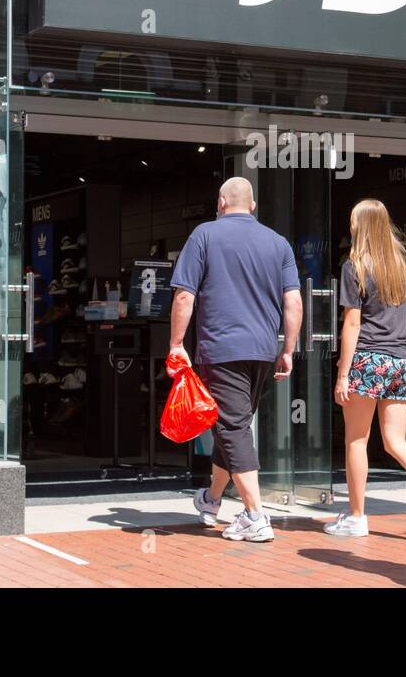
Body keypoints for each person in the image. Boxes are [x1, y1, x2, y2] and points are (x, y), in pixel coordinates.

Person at [169, 176, 302, 543]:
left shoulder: (205, 235)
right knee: (232, 426)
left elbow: (184, 296)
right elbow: (293, 300)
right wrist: (288, 349)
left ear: (221, 203)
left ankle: (256, 516)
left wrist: (176, 343)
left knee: (231, 429)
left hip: (222, 349)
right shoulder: (278, 243)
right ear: (253, 206)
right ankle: (212, 500)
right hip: (262, 350)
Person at [324, 199, 406, 538]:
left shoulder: (354, 266)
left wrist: (343, 373)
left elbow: (352, 324)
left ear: (361, 227)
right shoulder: (399, 266)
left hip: (369, 359)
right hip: (403, 360)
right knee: (395, 441)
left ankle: (357, 517)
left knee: (357, 440)